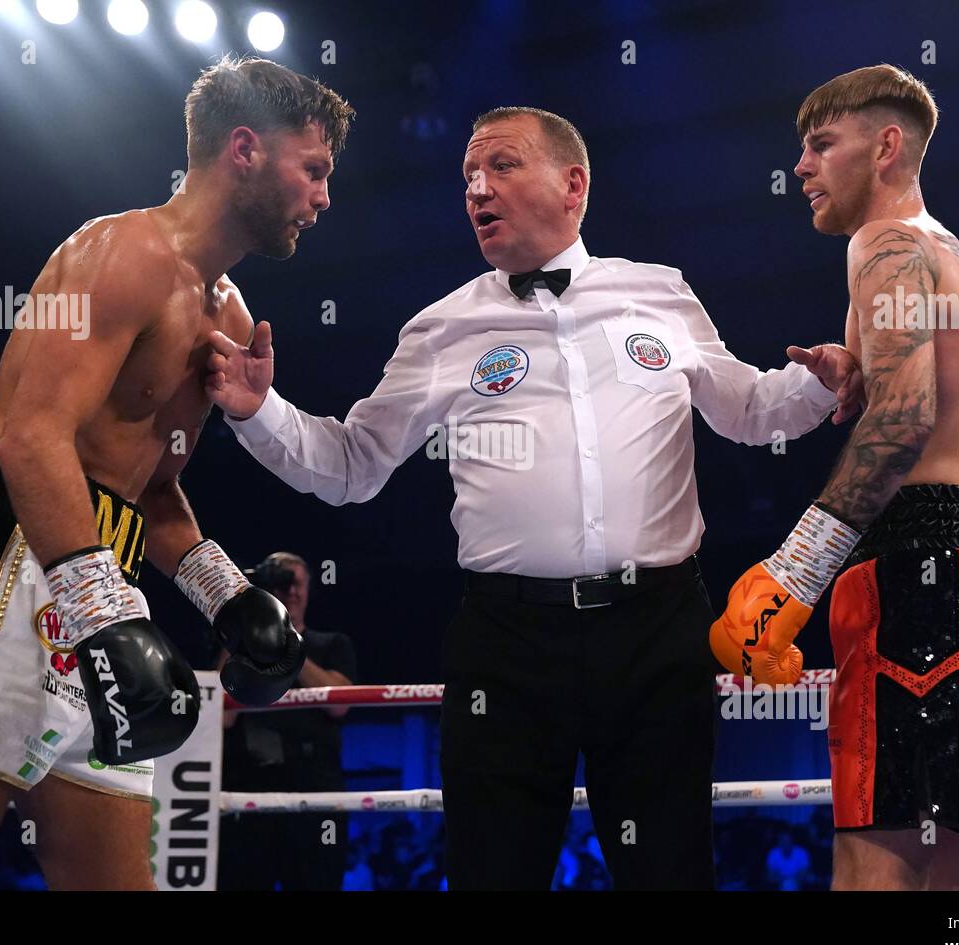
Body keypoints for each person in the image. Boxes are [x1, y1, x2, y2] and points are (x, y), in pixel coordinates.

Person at [207, 106, 863, 889]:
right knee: (495, 872)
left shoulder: (660, 293)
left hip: (657, 630)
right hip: (509, 640)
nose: (478, 188)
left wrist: (815, 384)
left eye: (503, 166)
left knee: (670, 870)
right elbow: (353, 464)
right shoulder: (442, 327)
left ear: (573, 184)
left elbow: (749, 409)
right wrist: (261, 413)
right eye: (468, 178)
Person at [0, 56, 348, 889]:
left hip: (100, 571)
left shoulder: (224, 310)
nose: (324, 197)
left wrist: (226, 595)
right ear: (245, 149)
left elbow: (148, 488)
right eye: (315, 169)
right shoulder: (114, 248)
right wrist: (99, 609)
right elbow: (30, 439)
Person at [711, 64, 959, 891]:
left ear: (887, 146)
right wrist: (862, 365)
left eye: (823, 145)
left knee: (875, 873)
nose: (801, 168)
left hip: (921, 582)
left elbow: (901, 421)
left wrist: (794, 573)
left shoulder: (884, 243)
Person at [217, 552, 356, 891]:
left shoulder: (331, 644)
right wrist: (245, 623)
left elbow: (341, 705)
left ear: (309, 590)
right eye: (281, 583)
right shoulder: (244, 649)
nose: (290, 591)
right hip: (251, 790)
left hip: (314, 792)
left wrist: (288, 641)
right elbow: (221, 716)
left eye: (297, 583)